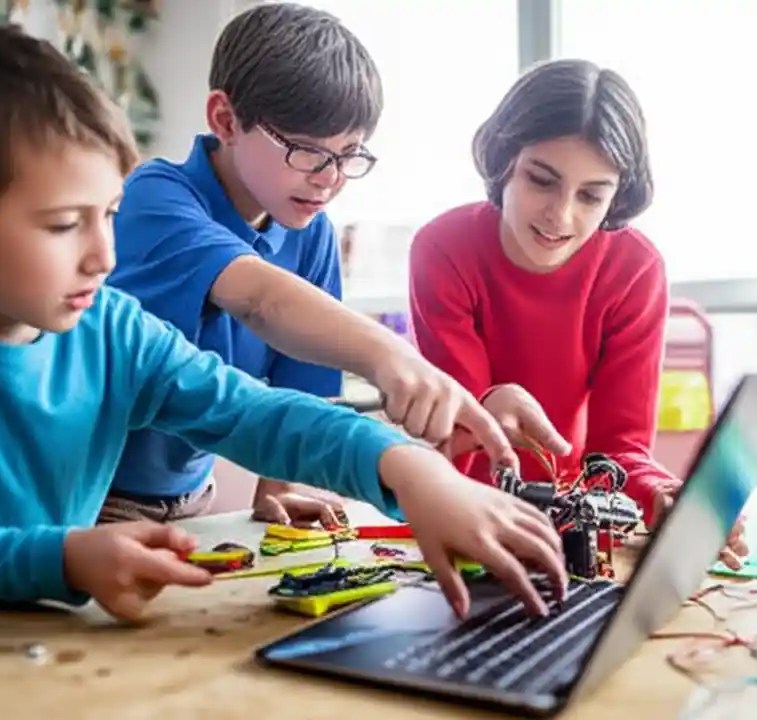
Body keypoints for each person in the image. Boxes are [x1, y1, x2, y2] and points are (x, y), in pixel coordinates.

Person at [0, 26, 569, 623]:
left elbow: (257, 412)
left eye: (109, 216)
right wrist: (65, 559)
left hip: (8, 640)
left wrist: (414, 471)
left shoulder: (112, 329)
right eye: (65, 224)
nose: (104, 254)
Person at [102, 2, 568, 529]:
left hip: (192, 499)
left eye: (350, 154)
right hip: (96, 492)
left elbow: (299, 391)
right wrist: (393, 357)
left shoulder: (311, 231)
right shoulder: (155, 198)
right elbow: (261, 299)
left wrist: (275, 491)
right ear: (226, 120)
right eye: (306, 151)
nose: (330, 178)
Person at [408, 59, 747, 569]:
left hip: (572, 527)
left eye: (591, 196)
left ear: (616, 197)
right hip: (469, 523)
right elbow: (462, 441)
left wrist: (660, 496)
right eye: (541, 180)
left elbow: (620, 451)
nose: (561, 216)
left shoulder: (635, 268)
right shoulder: (444, 248)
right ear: (504, 161)